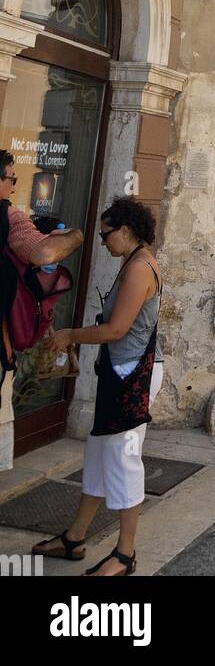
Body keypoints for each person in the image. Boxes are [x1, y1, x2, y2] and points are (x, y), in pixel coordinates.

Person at [35, 197, 163, 576]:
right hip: (120, 373)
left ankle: (125, 554)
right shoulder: (132, 262)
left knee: (123, 462)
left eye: (107, 234)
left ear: (125, 231)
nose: (104, 242)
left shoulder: (140, 268)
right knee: (98, 457)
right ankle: (75, 537)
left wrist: (71, 335)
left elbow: (116, 329)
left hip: (131, 377)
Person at [0, 150, 84, 468]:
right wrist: (74, 236)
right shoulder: (9, 218)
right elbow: (44, 254)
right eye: (11, 179)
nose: (12, 186)